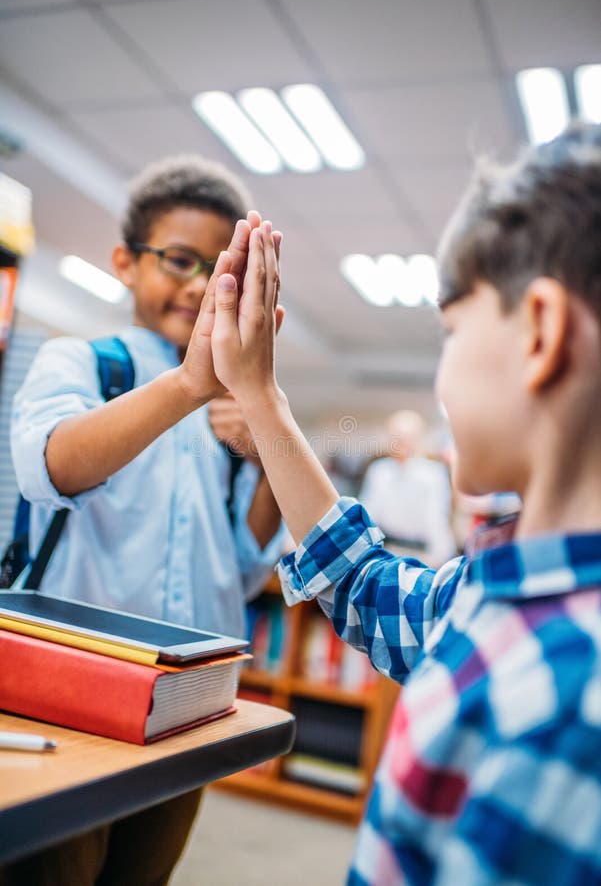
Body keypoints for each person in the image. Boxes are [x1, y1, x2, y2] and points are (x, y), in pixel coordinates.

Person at [205, 122, 601, 884]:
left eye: (449, 331)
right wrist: (258, 396)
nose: (440, 380)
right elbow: (368, 584)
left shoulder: (565, 703)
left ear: (540, 333)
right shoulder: (494, 584)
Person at [4, 156, 283, 886]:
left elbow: (246, 564)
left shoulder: (232, 404)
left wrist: (268, 454)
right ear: (126, 262)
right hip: (70, 697)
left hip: (187, 704)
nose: (197, 286)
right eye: (179, 261)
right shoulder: (83, 361)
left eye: (217, 270)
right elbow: (50, 465)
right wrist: (188, 385)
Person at [359, 409, 456, 565]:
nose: (398, 443)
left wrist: (444, 556)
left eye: (404, 438)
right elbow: (369, 512)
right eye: (393, 437)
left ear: (416, 439)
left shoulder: (432, 474)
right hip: (386, 551)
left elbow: (436, 517)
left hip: (422, 554)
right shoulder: (379, 471)